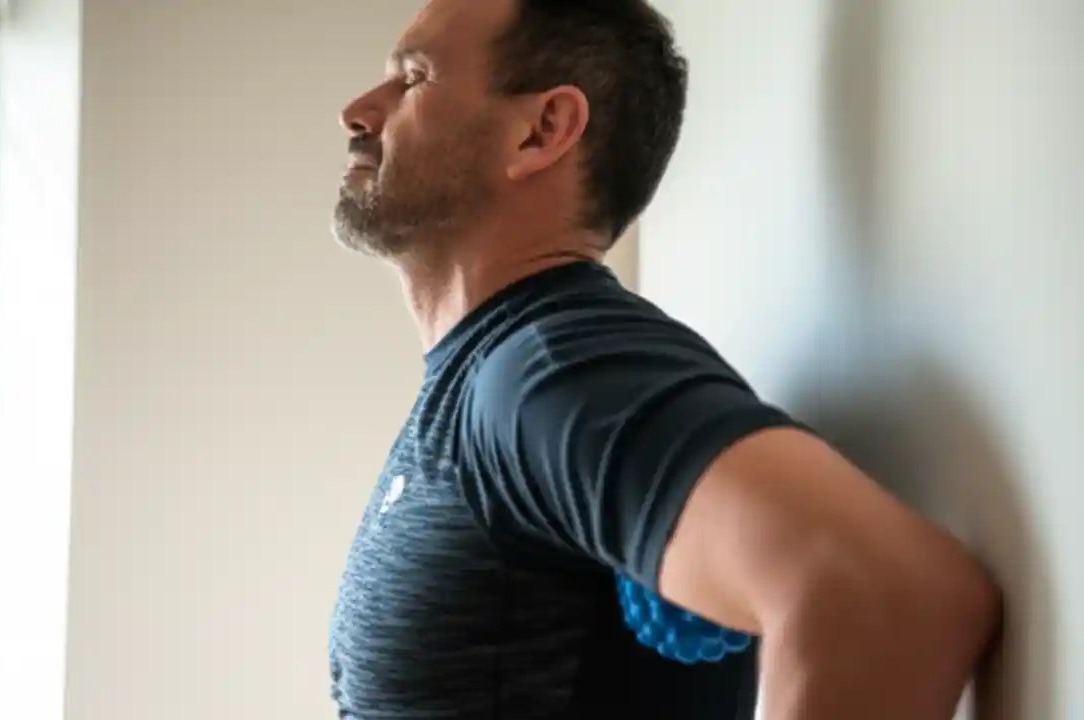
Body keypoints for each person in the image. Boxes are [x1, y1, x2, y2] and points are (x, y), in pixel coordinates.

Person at [326, 0, 1001, 717]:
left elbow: (889, 596)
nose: (359, 111)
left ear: (541, 131)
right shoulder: (495, 381)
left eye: (414, 77)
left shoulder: (552, 369)